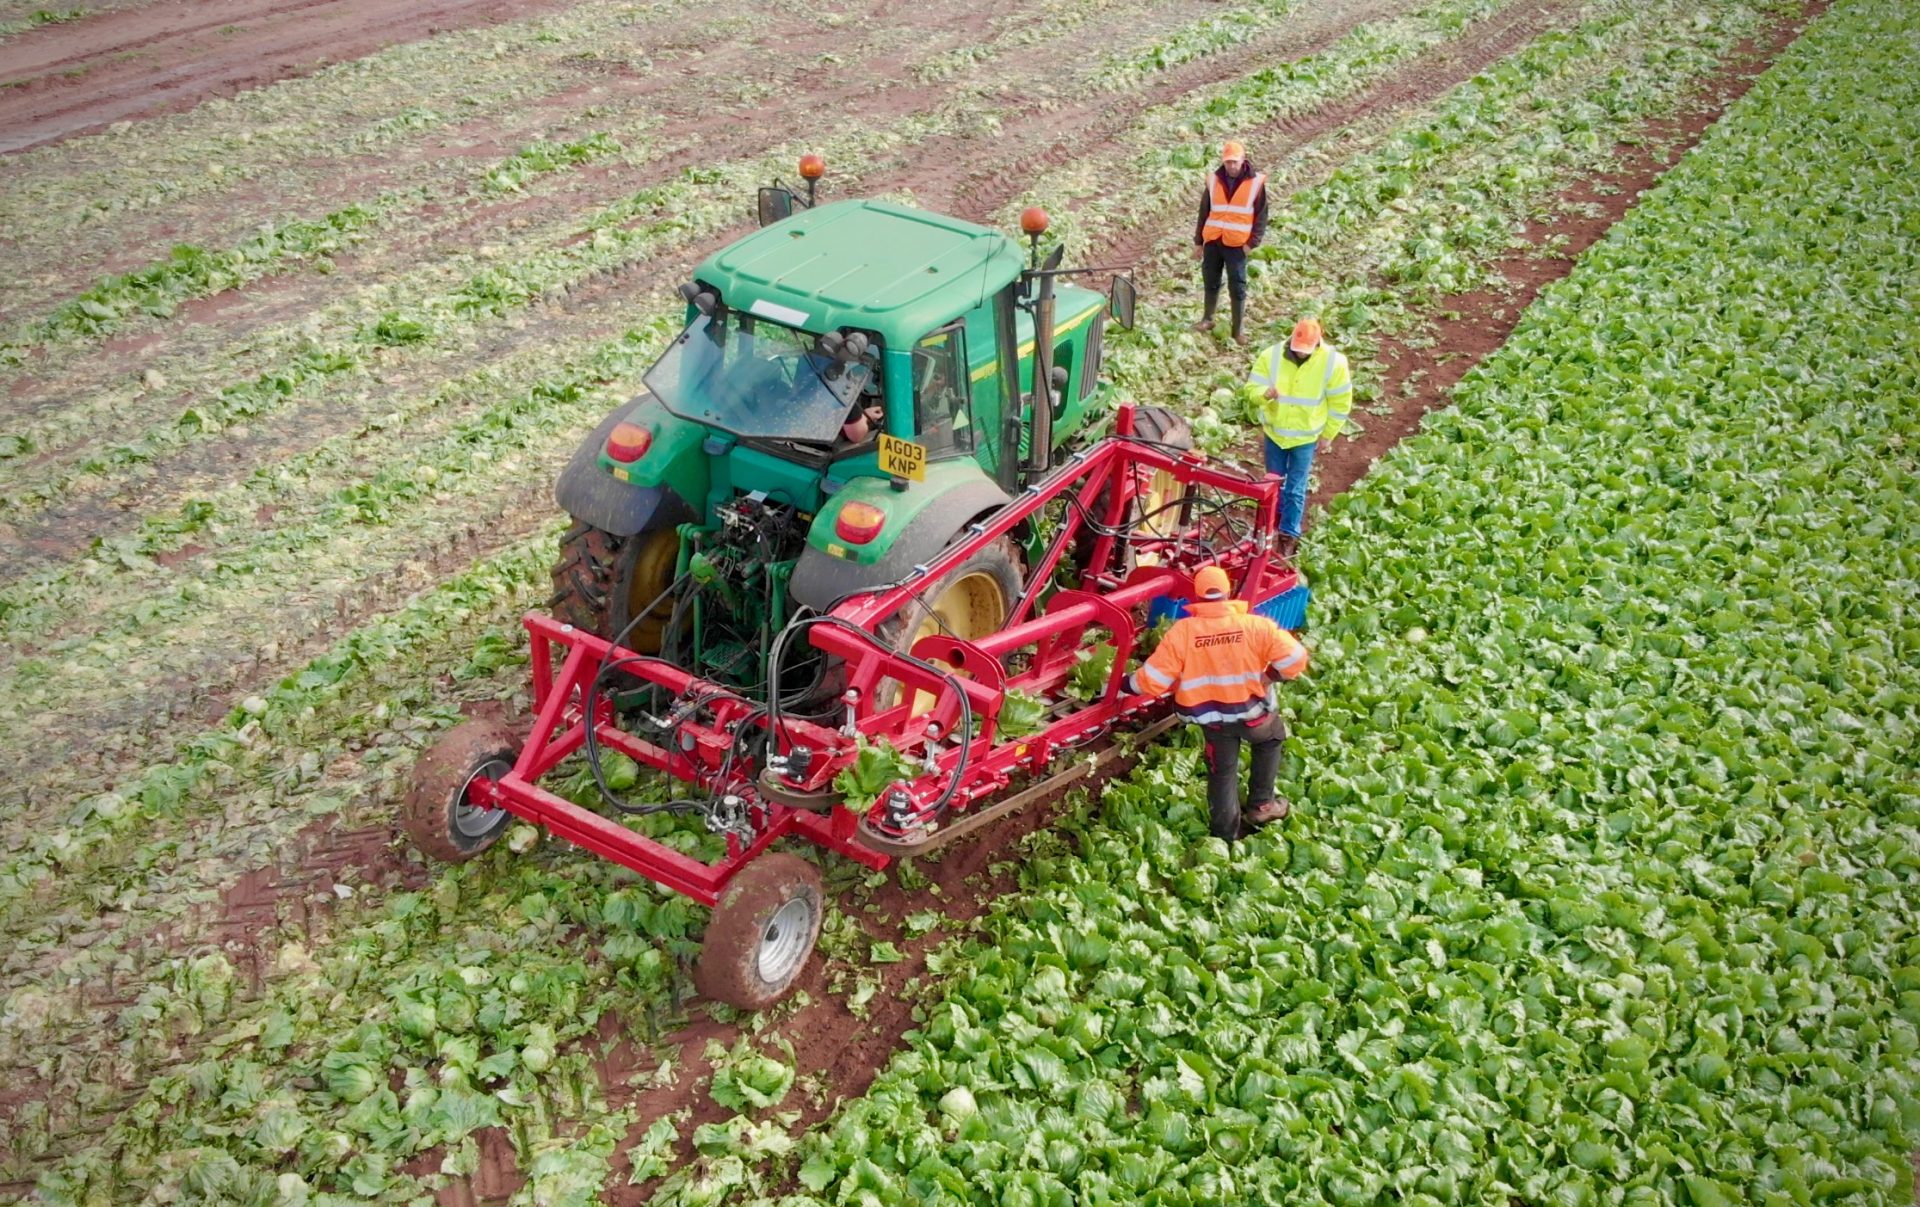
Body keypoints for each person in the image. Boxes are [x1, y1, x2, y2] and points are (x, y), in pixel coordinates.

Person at [1126, 565, 1308, 841]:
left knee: (1222, 771)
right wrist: (1270, 676)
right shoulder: (1255, 625)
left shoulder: (1182, 633)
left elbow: (1153, 680)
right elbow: (1296, 659)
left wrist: (1124, 684)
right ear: (1227, 592)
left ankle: (1224, 835)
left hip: (1214, 721)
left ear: (1196, 597)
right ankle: (1262, 805)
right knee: (1270, 740)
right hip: (1253, 714)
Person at [1244, 317, 1352, 561]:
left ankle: (1289, 535)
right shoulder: (1270, 356)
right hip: (1275, 433)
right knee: (1273, 485)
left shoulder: (1333, 363)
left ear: (1317, 345)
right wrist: (1264, 395)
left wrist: (1328, 434)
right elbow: (1250, 390)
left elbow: (1340, 403)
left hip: (1305, 437)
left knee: (1295, 487)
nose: (1300, 355)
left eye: (1305, 352)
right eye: (1297, 350)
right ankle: (1270, 527)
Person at [1192, 140, 1268, 346]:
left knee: (1238, 285)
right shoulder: (1214, 181)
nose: (1231, 166)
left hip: (1237, 245)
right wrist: (1199, 242)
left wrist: (1252, 243)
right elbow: (1204, 212)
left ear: (1243, 161)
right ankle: (1208, 319)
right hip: (1214, 240)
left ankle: (1238, 331)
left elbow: (1261, 216)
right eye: (1227, 163)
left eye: (1234, 162)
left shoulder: (1255, 183)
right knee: (1210, 280)